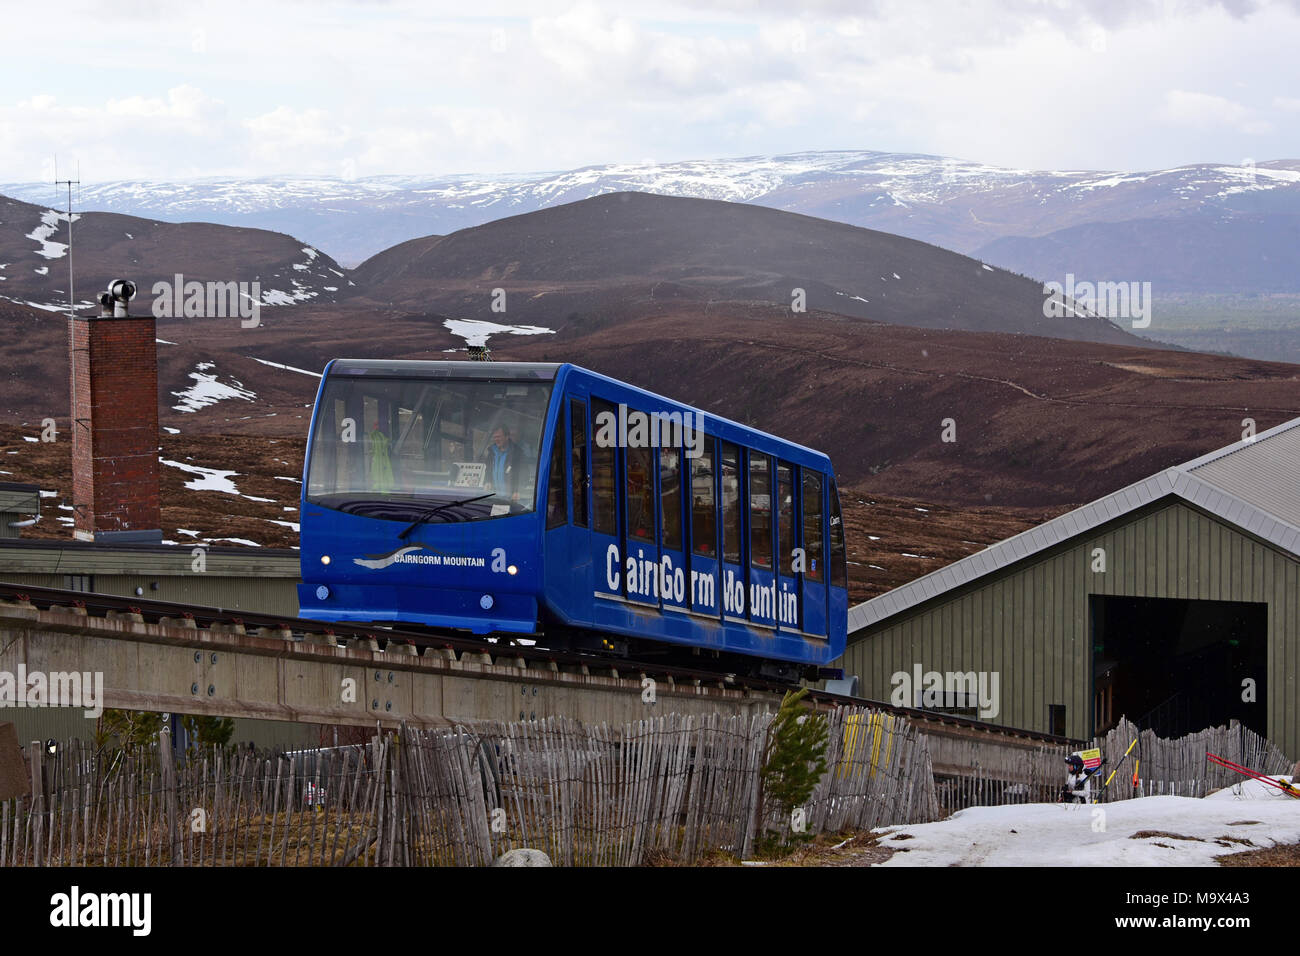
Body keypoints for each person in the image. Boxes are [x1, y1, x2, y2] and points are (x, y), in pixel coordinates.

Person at [481, 426, 522, 503]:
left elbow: (522, 473)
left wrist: (517, 490)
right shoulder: (491, 452)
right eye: (494, 437)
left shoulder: (517, 452)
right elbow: (488, 470)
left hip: (511, 498)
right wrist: (487, 481)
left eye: (499, 437)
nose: (496, 439)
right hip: (494, 497)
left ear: (507, 437)